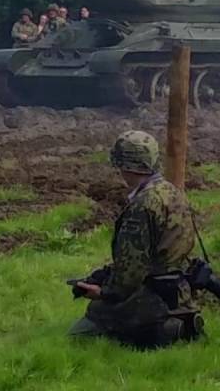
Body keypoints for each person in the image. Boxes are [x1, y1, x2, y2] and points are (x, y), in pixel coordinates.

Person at [68, 131, 204, 348]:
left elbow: (131, 272)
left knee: (87, 325)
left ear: (125, 166)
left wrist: (103, 292)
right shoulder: (172, 192)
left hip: (153, 298)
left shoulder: (143, 205)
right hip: (181, 293)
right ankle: (178, 324)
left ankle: (167, 330)